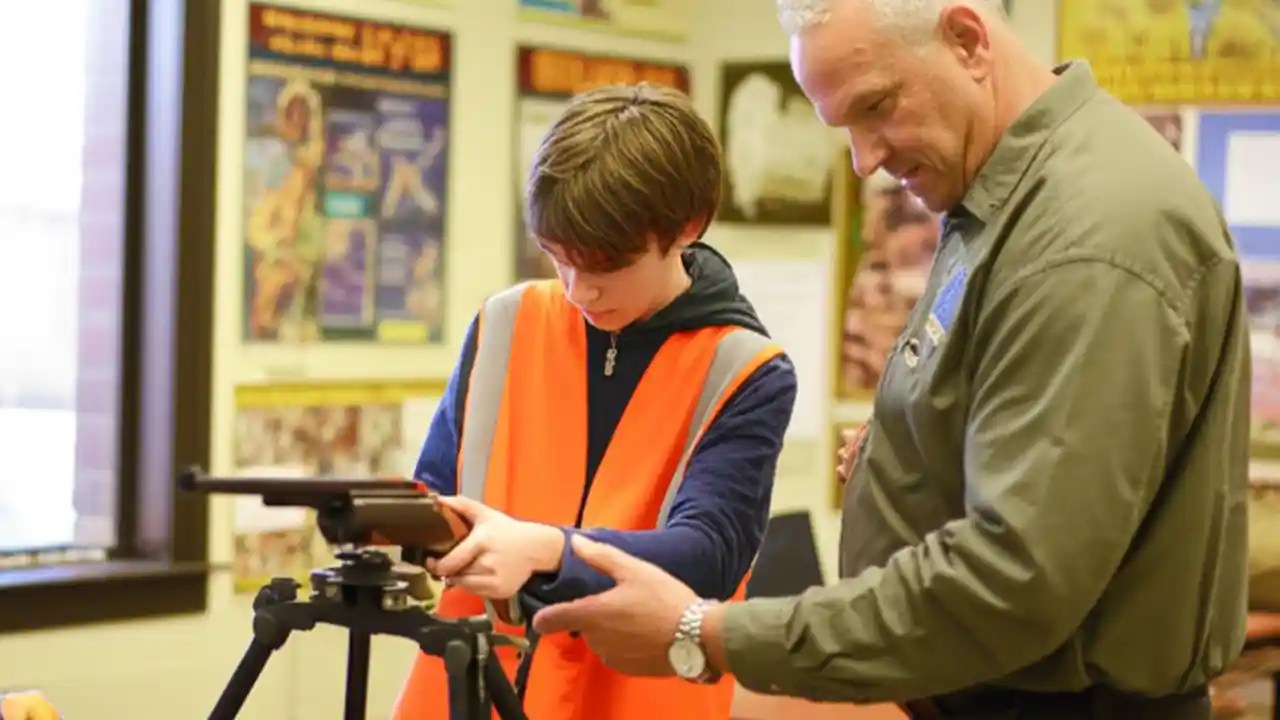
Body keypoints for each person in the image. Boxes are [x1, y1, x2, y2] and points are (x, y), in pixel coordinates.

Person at [529, 1, 1252, 719]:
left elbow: (1014, 577)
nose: (865, 158)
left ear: (968, 42)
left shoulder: (1086, 236)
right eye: (844, 125)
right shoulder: (1004, 198)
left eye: (876, 107)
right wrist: (909, 458)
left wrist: (706, 634)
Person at [389, 83, 798, 720]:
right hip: (469, 691)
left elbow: (706, 557)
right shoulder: (505, 323)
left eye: (606, 266)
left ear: (685, 228)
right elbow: (438, 487)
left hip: (637, 701)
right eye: (558, 259)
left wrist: (546, 551)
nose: (580, 291)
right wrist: (401, 524)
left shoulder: (745, 369)